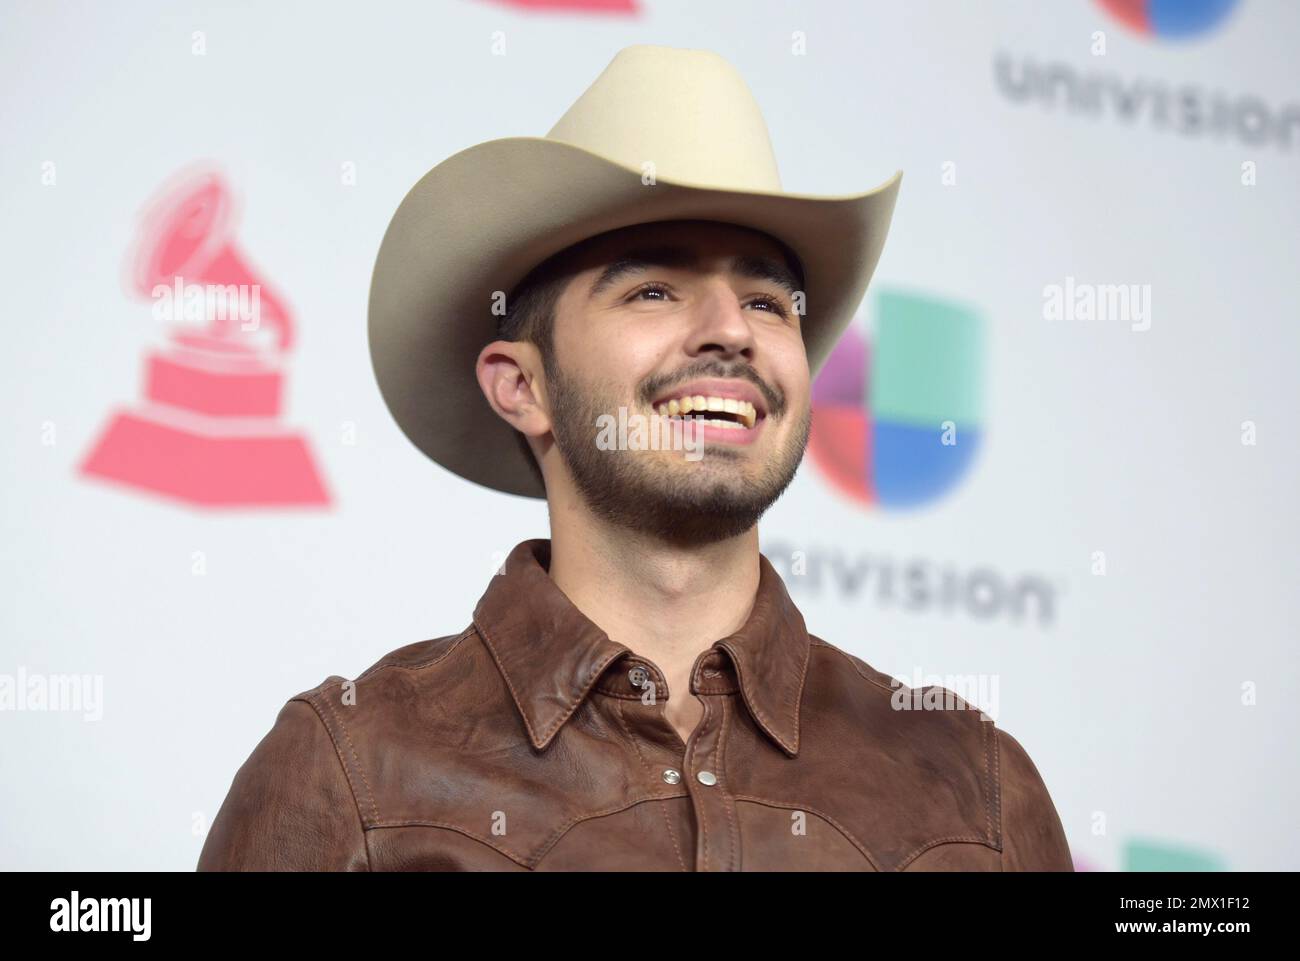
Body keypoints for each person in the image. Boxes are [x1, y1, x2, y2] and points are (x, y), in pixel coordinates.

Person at [198, 44, 1072, 872]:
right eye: (653, 288)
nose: (732, 330)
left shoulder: (978, 793)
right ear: (521, 388)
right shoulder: (352, 771)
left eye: (769, 301)